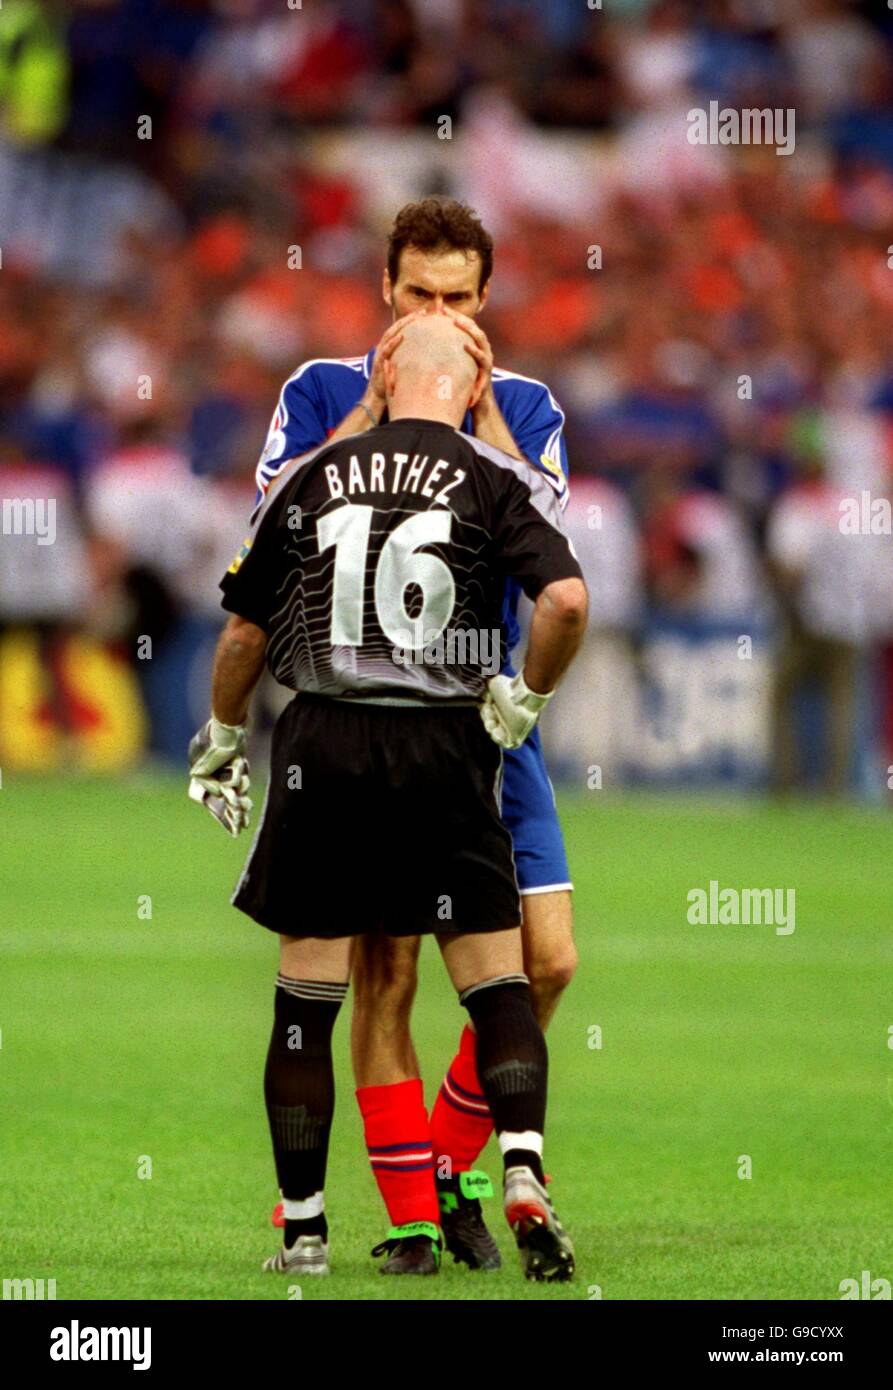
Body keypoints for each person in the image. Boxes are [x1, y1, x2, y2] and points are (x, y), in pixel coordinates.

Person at [188, 314, 587, 1279]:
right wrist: (524, 699)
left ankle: (305, 1228)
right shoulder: (494, 476)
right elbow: (567, 600)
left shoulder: (317, 473)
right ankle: (520, 1171)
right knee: (499, 993)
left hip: (324, 745)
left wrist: (224, 740)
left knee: (306, 1006)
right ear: (473, 383)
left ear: (384, 374)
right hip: (450, 749)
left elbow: (243, 636)